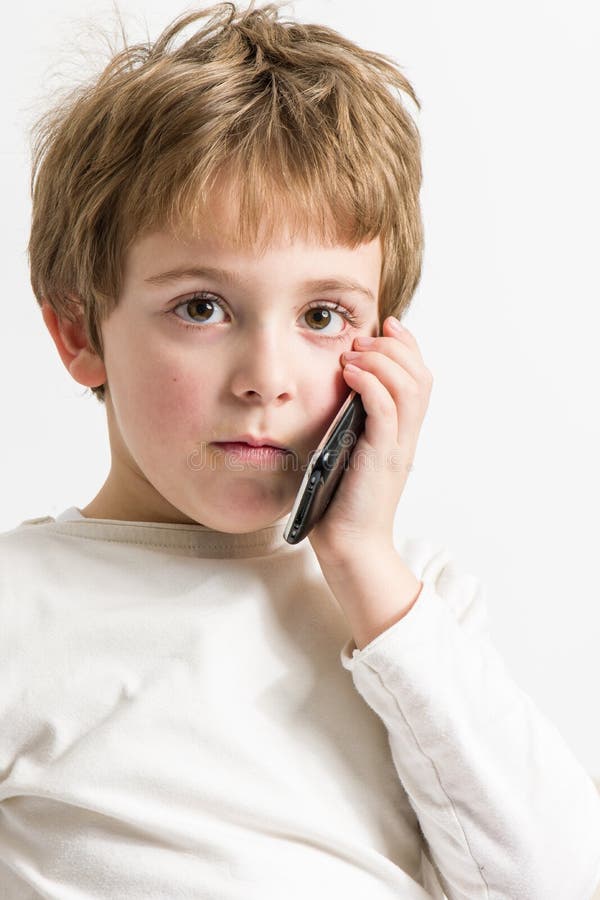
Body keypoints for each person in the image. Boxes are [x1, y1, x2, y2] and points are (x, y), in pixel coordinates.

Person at [1, 2, 599, 897]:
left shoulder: (411, 614)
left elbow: (559, 880)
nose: (267, 378)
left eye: (324, 317)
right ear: (80, 331)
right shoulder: (23, 609)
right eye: (202, 307)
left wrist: (365, 566)